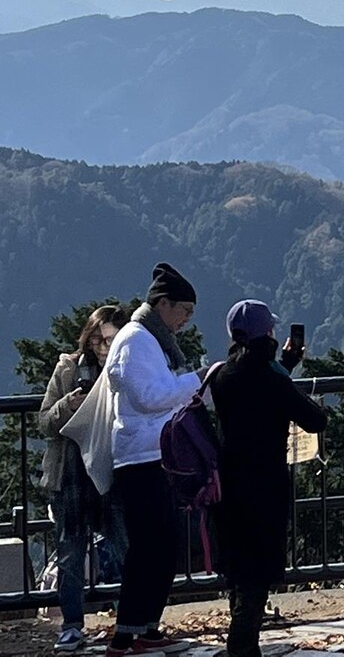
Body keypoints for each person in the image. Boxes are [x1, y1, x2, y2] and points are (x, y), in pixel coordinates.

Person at [211, 300, 327, 657]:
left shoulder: (221, 375)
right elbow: (314, 420)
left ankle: (241, 635)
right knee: (258, 568)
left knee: (239, 563)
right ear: (269, 333)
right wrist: (285, 371)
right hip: (266, 483)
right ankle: (243, 643)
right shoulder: (271, 377)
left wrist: (284, 365)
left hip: (228, 482)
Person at [102, 264, 203, 657]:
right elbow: (148, 396)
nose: (185, 321)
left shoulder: (149, 339)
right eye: (183, 311)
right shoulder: (135, 339)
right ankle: (125, 634)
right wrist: (197, 380)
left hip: (155, 453)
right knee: (148, 547)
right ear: (162, 304)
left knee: (163, 546)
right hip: (140, 456)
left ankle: (147, 626)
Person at [39, 305, 130, 654]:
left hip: (111, 470)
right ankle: (72, 624)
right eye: (96, 338)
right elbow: (45, 421)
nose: (102, 346)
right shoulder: (67, 368)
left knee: (124, 548)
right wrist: (67, 405)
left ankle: (129, 621)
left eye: (108, 338)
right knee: (71, 555)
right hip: (71, 475)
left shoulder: (123, 369)